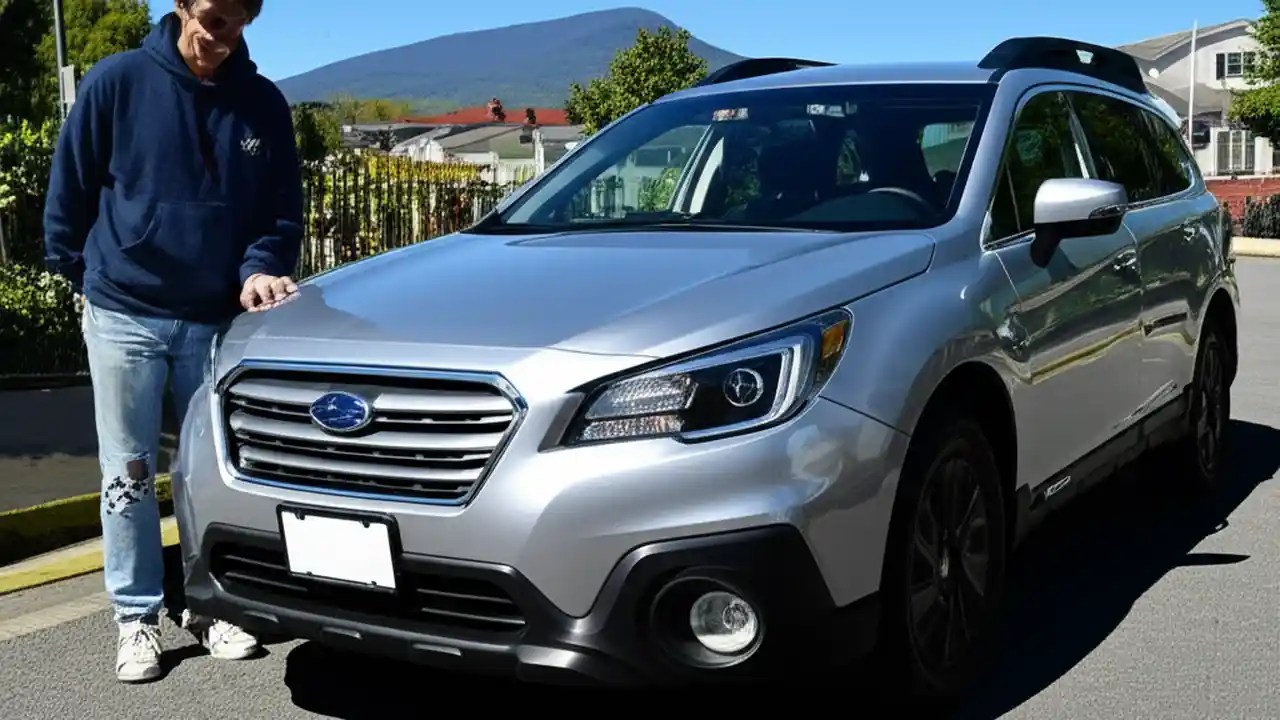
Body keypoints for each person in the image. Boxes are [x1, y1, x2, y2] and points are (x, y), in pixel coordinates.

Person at [43, 0, 303, 683]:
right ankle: (136, 618)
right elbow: (68, 187)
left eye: (239, 23)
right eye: (214, 18)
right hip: (123, 313)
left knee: (206, 472)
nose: (223, 37)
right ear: (183, 6)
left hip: (214, 320)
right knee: (127, 473)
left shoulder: (262, 105)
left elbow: (280, 212)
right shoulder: (118, 81)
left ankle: (208, 602)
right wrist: (86, 275)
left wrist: (257, 270)